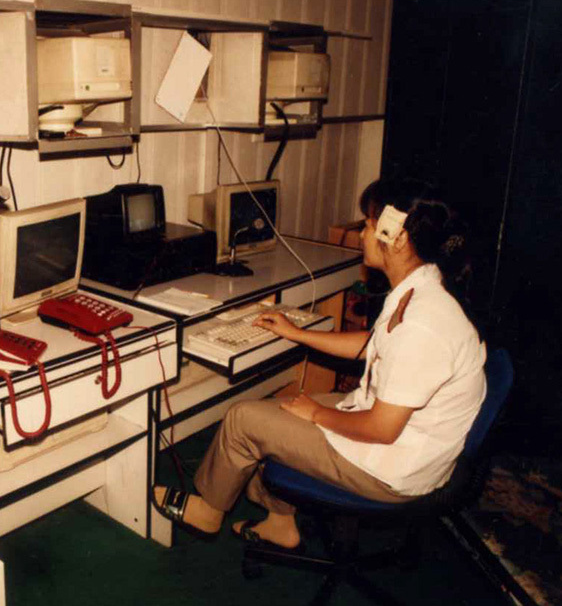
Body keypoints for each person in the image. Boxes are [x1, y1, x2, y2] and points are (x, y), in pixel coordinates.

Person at [153, 177, 487, 550]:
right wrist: (298, 333)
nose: (361, 233)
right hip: (403, 443)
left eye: (369, 225)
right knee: (276, 413)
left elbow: (381, 429)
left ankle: (208, 511)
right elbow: (376, 344)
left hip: (391, 467)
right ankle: (281, 522)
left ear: (397, 235)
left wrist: (316, 414)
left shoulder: (425, 324)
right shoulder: (422, 288)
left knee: (243, 419)